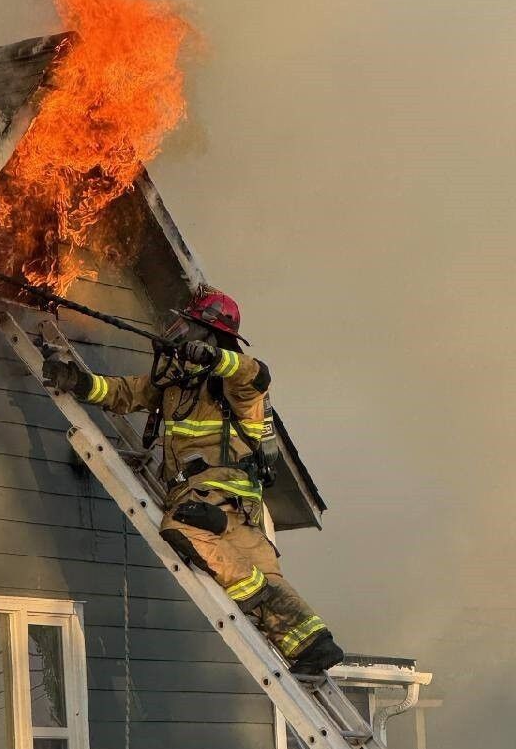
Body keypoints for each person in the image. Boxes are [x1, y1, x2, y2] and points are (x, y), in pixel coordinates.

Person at [43, 285, 344, 675]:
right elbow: (119, 393)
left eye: (189, 326)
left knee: (181, 527)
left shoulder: (232, 385)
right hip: (227, 506)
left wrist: (217, 357)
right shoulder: (174, 382)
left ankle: (221, 534)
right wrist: (75, 381)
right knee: (265, 578)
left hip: (219, 492)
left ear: (209, 334)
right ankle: (316, 649)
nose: (179, 331)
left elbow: (256, 373)